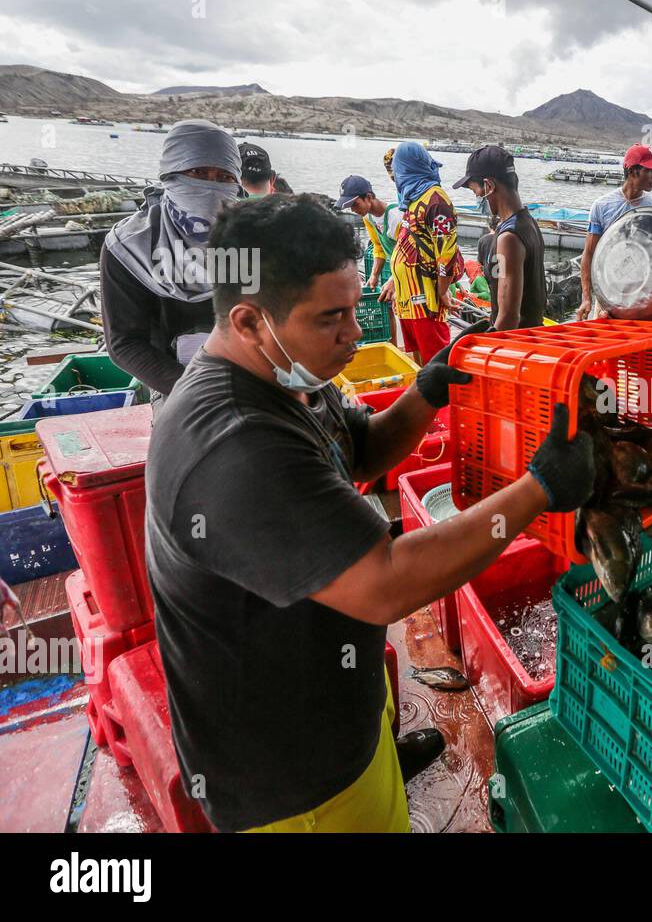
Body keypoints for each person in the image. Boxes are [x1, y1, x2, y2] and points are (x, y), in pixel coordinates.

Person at [145, 194, 595, 832]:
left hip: (339, 700)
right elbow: (385, 582)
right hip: (292, 777)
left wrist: (426, 391)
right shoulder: (233, 445)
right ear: (248, 321)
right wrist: (538, 490)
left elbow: (357, 450)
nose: (356, 333)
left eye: (356, 308)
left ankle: (380, 748)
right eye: (333, 317)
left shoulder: (285, 376)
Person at [101, 119, 241, 399]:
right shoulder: (129, 247)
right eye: (198, 172)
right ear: (170, 176)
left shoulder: (254, 237)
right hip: (173, 378)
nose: (210, 187)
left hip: (250, 369)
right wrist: (201, 391)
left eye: (224, 177)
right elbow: (125, 343)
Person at [453, 146, 546, 331]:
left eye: (475, 192)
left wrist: (488, 346)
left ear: (489, 186)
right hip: (532, 333)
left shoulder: (508, 238)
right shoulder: (528, 223)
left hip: (515, 343)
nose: (477, 198)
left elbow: (509, 316)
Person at [388, 142, 464, 363]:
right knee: (419, 363)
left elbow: (446, 255)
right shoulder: (414, 199)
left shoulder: (436, 200)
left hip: (426, 301)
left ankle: (443, 399)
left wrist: (442, 292)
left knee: (435, 362)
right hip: (408, 301)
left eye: (397, 169)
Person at [577, 143, 652, 320]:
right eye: (650, 171)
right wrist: (586, 298)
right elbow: (589, 254)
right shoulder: (602, 207)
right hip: (608, 296)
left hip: (641, 299)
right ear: (633, 171)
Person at [337, 174, 401, 295]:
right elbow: (379, 247)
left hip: (414, 271)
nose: (353, 210)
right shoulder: (368, 217)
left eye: (355, 204)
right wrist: (374, 276)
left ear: (369, 197)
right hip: (399, 270)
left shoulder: (396, 217)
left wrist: (394, 280)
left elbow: (410, 253)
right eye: (349, 206)